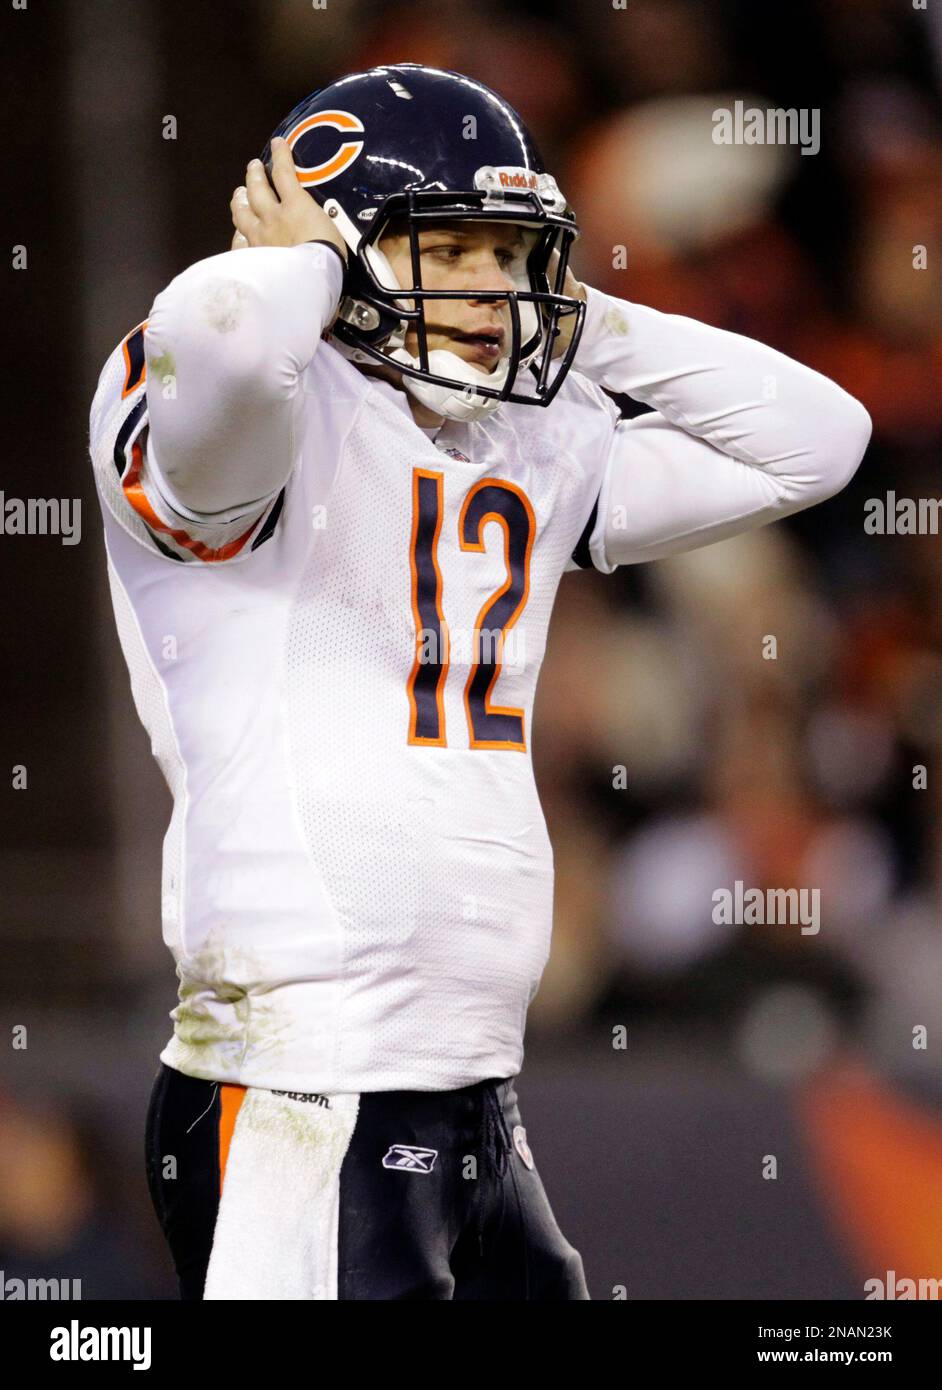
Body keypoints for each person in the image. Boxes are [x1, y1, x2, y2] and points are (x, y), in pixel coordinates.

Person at [88, 64, 871, 1300]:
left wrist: (588, 313)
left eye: (510, 259)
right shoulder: (239, 403)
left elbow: (820, 438)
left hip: (472, 1090)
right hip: (303, 1079)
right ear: (330, 249)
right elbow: (228, 339)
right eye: (446, 251)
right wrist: (310, 269)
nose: (490, 294)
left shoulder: (526, 432)